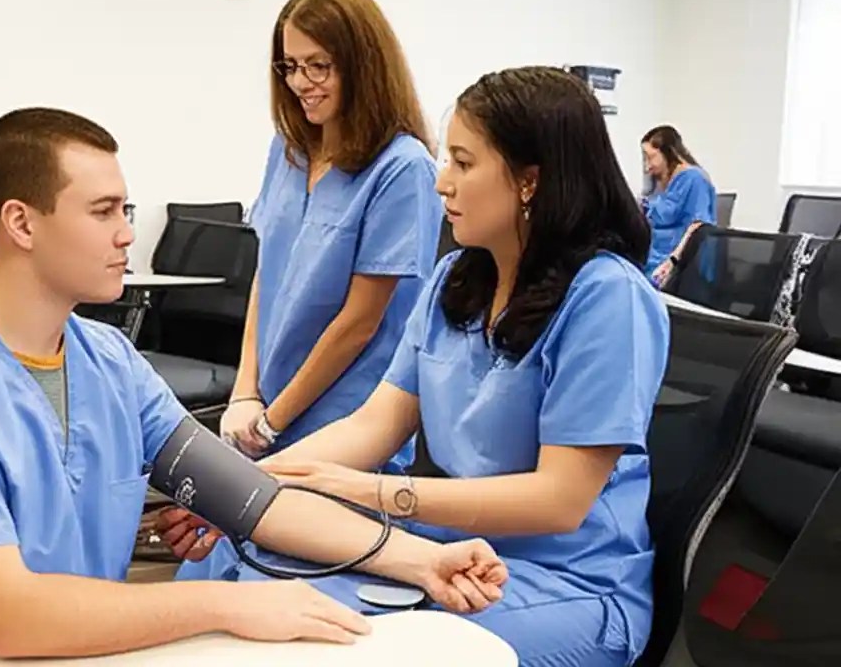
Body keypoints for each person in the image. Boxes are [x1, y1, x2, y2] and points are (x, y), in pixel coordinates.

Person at [0, 107, 508, 666]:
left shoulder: (108, 360)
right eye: (104, 212)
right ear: (21, 223)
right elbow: (14, 617)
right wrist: (231, 606)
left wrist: (423, 560)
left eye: (127, 209)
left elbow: (252, 501)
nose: (126, 235)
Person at [162, 66, 669, 667]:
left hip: (567, 585)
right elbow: (372, 426)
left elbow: (559, 501)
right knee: (243, 556)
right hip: (451, 552)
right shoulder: (457, 281)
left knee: (354, 648)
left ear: (529, 181)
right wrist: (245, 494)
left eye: (462, 162)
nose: (441, 183)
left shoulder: (609, 297)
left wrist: (371, 491)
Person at [221, 0, 441, 471]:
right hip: (264, 410)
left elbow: (358, 324)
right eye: (291, 66)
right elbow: (267, 275)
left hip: (344, 423)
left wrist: (274, 420)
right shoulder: (288, 150)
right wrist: (244, 392)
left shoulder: (403, 169)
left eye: (319, 65)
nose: (301, 82)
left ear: (362, 66)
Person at [640, 125, 716, 285]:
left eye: (650, 157)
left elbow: (699, 226)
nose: (647, 166)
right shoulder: (660, 182)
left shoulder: (694, 180)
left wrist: (672, 261)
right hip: (651, 260)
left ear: (668, 152)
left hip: (676, 265)